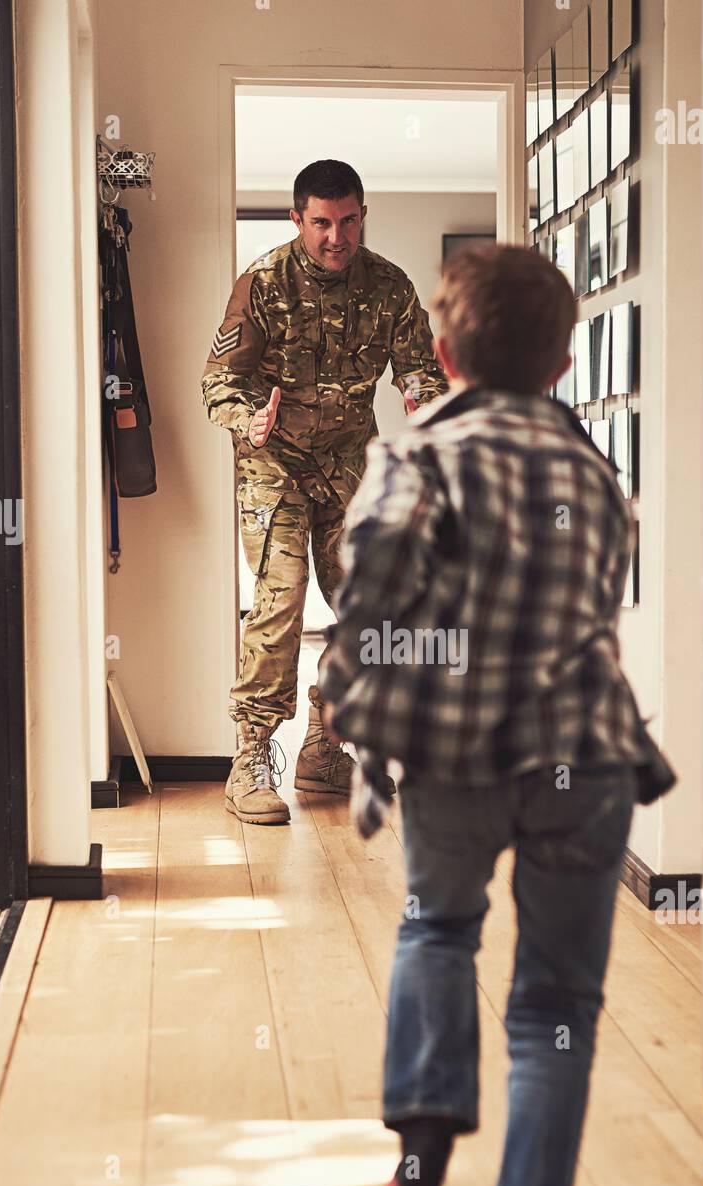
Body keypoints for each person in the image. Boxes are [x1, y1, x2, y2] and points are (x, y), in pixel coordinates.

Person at [318, 243, 676, 1186]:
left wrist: (360, 690)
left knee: (437, 926)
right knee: (557, 1001)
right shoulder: (597, 474)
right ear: (564, 366)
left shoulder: (417, 457)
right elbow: (589, 615)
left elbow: (372, 612)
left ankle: (424, 1137)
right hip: (589, 756)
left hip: (458, 756)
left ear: (440, 353)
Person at [201, 159, 448, 825]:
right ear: (297, 220)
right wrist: (243, 418)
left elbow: (420, 370)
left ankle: (325, 742)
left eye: (346, 222)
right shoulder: (263, 281)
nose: (335, 236)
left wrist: (427, 414)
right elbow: (218, 379)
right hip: (272, 458)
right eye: (320, 223)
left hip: (348, 461)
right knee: (280, 596)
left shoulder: (390, 286)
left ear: (362, 216)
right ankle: (251, 753)